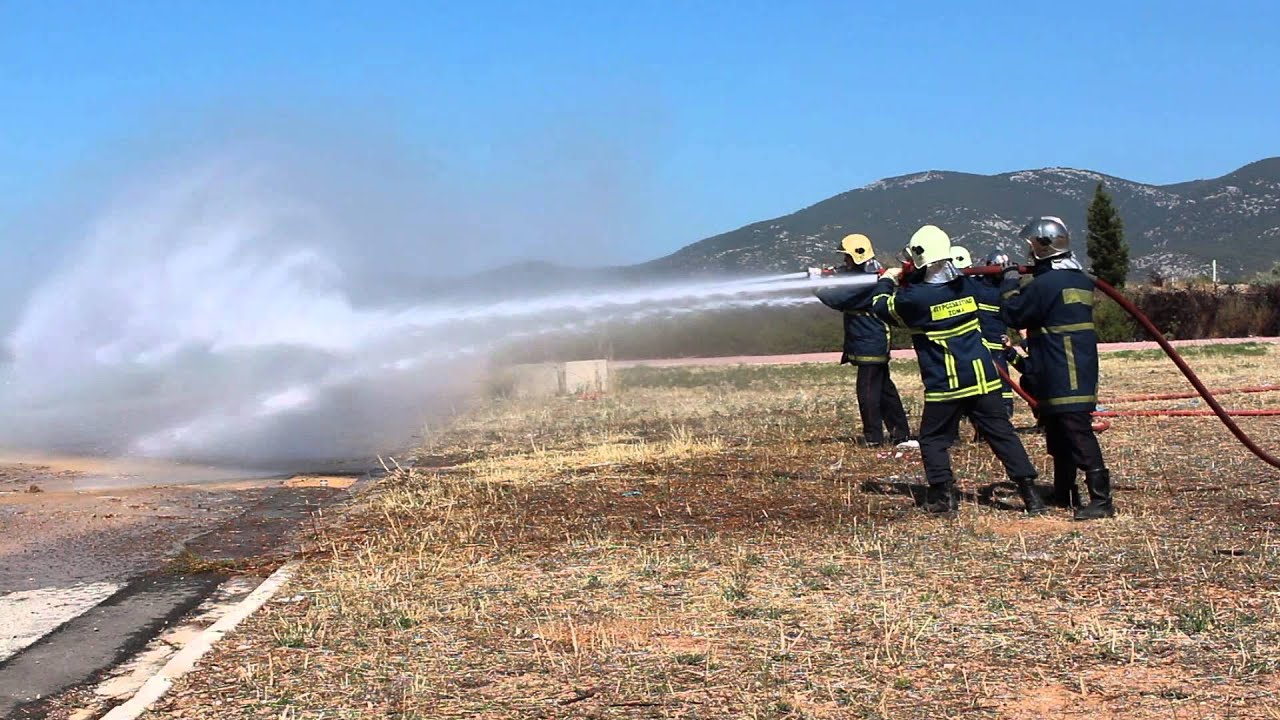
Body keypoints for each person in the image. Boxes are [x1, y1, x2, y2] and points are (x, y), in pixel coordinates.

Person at [870, 225, 1044, 515]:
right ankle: (1031, 495)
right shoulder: (968, 287)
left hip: (947, 382)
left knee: (933, 440)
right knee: (1002, 435)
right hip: (984, 378)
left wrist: (887, 280)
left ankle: (943, 497)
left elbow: (882, 308)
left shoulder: (916, 299)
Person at [999, 216, 1115, 520]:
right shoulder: (1076, 279)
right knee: (1060, 431)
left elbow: (1014, 314)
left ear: (1042, 247)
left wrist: (1010, 283)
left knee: (1076, 432)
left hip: (1064, 369)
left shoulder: (1047, 283)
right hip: (1061, 365)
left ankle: (1102, 500)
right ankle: (1065, 491)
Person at [815, 233, 914, 448]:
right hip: (866, 341)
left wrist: (818, 286)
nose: (844, 262)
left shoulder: (871, 280)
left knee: (867, 391)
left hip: (871, 343)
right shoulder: (866, 275)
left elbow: (838, 299)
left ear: (857, 256)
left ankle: (873, 438)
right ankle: (901, 435)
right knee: (884, 389)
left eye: (847, 258)